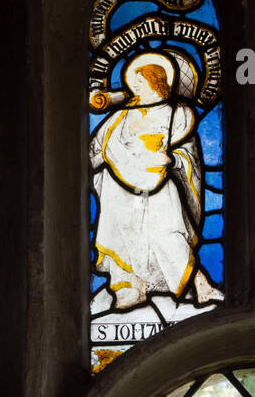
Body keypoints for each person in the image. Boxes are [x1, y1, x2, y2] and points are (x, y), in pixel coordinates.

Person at [90, 50, 221, 308]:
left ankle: (199, 285)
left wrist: (171, 160)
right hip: (119, 190)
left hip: (159, 185)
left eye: (140, 80)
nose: (135, 85)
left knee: (169, 234)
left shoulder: (178, 113)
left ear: (155, 80)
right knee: (121, 238)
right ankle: (130, 288)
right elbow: (97, 148)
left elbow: (186, 153)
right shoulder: (121, 114)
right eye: (134, 80)